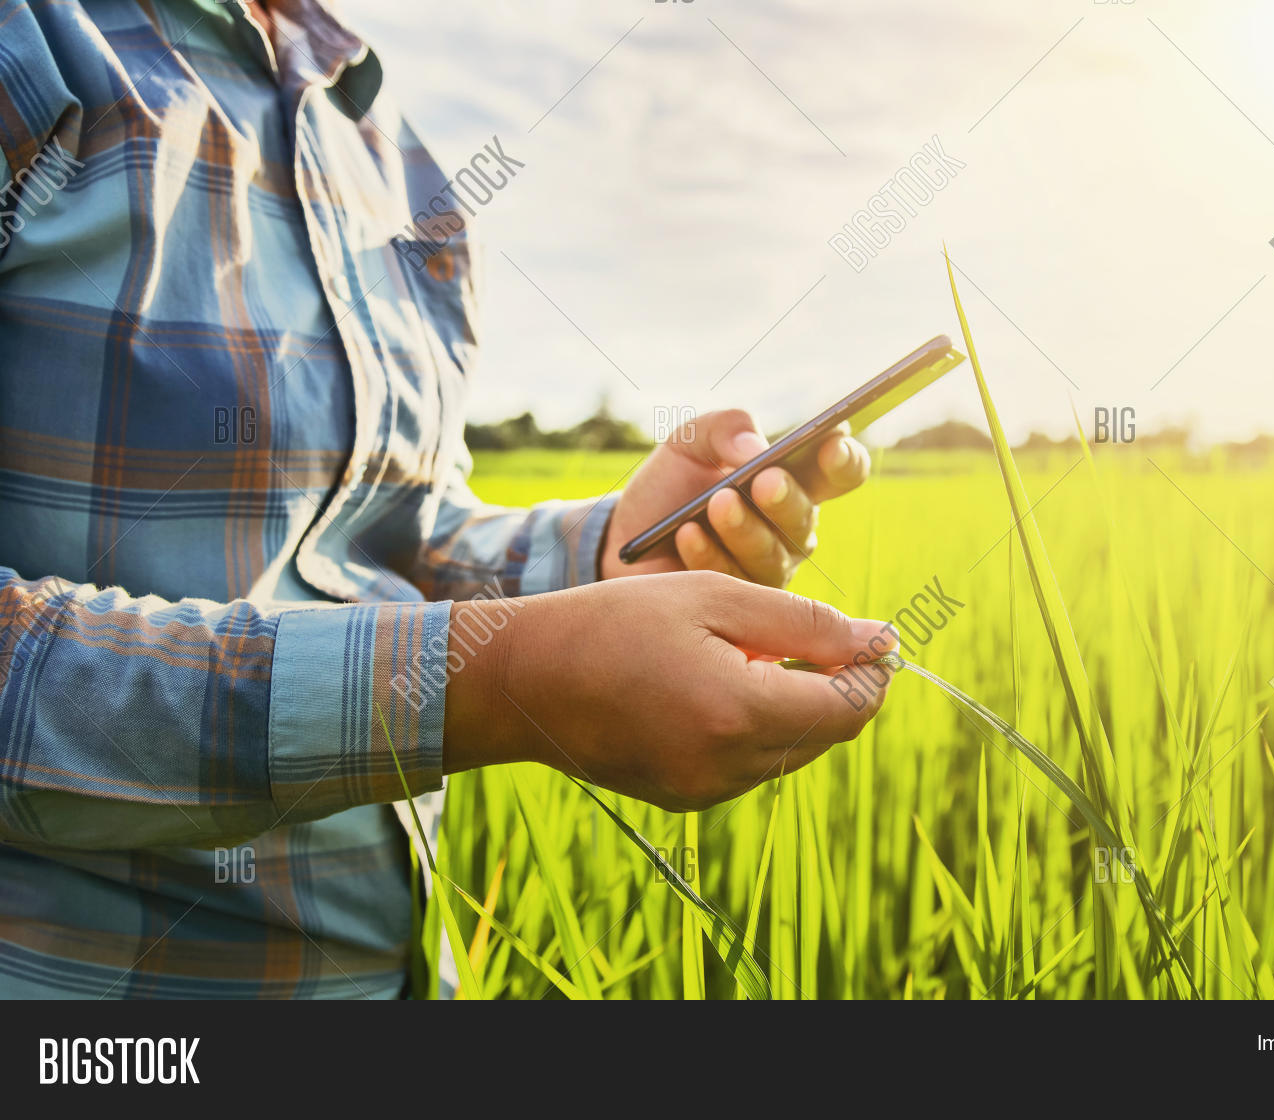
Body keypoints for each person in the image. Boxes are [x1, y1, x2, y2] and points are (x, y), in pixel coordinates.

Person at [0, 0, 891, 998]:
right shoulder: (33, 46)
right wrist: (507, 684)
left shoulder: (382, 144)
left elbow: (387, 538)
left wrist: (608, 552)